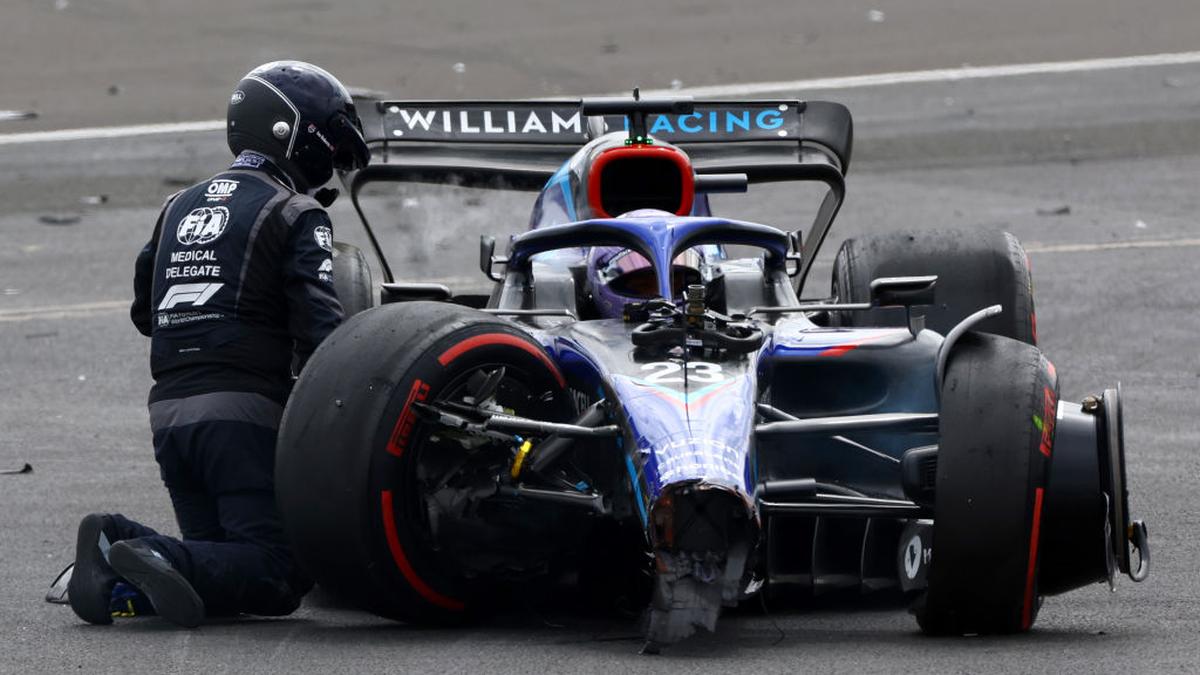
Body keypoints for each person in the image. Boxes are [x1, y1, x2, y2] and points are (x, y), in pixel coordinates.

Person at [67, 61, 370, 627]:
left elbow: (144, 312)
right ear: (295, 132)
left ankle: (116, 548)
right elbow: (322, 329)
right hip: (244, 416)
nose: (330, 162)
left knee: (217, 571)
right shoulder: (297, 212)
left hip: (170, 415)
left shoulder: (176, 206)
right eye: (330, 144)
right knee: (277, 575)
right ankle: (152, 553)